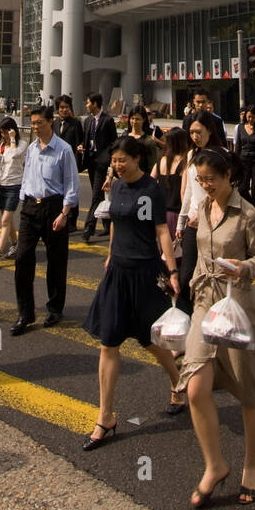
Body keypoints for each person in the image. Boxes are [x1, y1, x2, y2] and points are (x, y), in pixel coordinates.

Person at [177, 148, 255, 506]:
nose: (205, 186)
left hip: (237, 305)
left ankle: (251, 464)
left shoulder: (247, 213)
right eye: (200, 179)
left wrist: (243, 268)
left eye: (211, 180)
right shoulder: (203, 208)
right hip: (205, 303)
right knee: (194, 389)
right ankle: (214, 465)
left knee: (249, 392)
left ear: (228, 178)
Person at [82, 137, 185, 449]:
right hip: (118, 272)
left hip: (144, 272)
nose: (117, 164)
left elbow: (162, 231)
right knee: (108, 342)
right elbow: (114, 221)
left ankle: (178, 384)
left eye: (123, 159)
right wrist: (112, 253)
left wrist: (172, 270)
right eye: (114, 160)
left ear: (138, 158)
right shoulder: (116, 187)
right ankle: (105, 416)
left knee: (151, 340)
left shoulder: (150, 190)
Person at [12, 105, 79, 335]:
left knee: (56, 261)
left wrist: (64, 213)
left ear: (51, 122)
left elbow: (71, 184)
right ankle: (25, 313)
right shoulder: (31, 149)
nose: (35, 127)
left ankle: (55, 307)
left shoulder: (63, 150)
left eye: (39, 122)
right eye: (32, 123)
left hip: (54, 208)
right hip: (30, 207)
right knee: (22, 259)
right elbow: (26, 177)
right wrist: (23, 202)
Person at [177, 114, 227, 315]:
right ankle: (185, 325)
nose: (195, 136)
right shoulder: (191, 155)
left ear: (210, 131)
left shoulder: (221, 155)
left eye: (199, 132)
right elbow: (189, 191)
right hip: (193, 223)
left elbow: (225, 190)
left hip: (215, 223)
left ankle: (213, 320)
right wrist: (181, 221)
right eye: (191, 133)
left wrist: (204, 212)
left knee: (213, 276)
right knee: (186, 276)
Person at [0, 117, 27, 264]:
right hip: (2, 185)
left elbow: (14, 154)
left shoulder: (22, 144)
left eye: (6, 132)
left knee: (5, 220)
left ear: (12, 130)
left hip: (15, 185)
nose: (3, 135)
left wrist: (11, 139)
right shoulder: (2, 145)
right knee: (8, 220)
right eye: (2, 133)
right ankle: (16, 244)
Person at [81, 92, 118, 241]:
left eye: (88, 102)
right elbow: (87, 139)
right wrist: (82, 148)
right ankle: (108, 226)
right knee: (101, 193)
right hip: (91, 161)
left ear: (95, 104)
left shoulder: (107, 120)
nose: (86, 105)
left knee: (96, 195)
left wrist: (109, 159)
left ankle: (88, 228)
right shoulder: (88, 120)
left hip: (102, 163)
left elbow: (113, 142)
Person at [54, 96, 84, 232]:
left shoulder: (75, 123)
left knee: (71, 191)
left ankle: (72, 221)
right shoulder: (53, 124)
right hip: (56, 163)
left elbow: (80, 142)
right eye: (61, 107)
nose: (64, 110)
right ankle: (60, 216)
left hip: (71, 162)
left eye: (66, 107)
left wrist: (78, 160)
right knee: (59, 192)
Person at [152, 126, 188, 238]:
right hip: (176, 214)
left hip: (160, 213)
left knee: (163, 250)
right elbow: (185, 192)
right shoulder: (184, 162)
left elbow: (150, 182)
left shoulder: (161, 160)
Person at [125, 106, 160, 173]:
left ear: (143, 120)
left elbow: (153, 164)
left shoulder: (148, 141)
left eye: (137, 119)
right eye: (132, 118)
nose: (134, 122)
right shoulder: (124, 137)